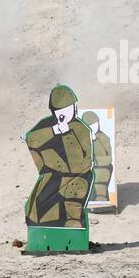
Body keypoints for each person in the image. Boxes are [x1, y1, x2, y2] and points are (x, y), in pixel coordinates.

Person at [24, 85, 93, 228]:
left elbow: (79, 165)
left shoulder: (81, 129)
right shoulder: (48, 125)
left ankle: (73, 230)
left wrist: (67, 134)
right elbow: (32, 139)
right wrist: (55, 130)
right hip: (53, 176)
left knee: (74, 193)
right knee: (35, 209)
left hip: (77, 177)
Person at [79, 111, 114, 202]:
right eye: (91, 125)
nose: (94, 127)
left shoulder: (104, 138)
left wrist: (95, 141)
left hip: (103, 168)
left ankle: (101, 198)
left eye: (96, 124)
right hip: (86, 170)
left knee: (100, 175)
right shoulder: (81, 140)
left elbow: (109, 158)